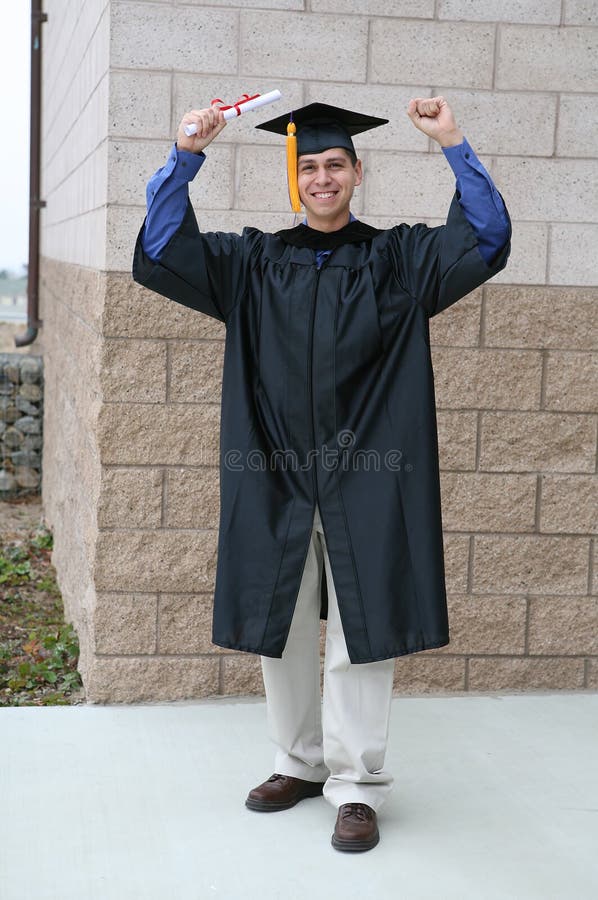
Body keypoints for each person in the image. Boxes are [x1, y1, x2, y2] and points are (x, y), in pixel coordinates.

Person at [132, 96, 511, 853]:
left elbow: (488, 237)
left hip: (370, 466)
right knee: (284, 625)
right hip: (272, 465)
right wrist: (186, 155)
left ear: (357, 172)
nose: (323, 176)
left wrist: (453, 143)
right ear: (294, 179)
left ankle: (357, 784)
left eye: (335, 163)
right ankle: (299, 763)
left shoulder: (400, 259)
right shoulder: (252, 262)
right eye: (310, 166)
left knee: (361, 632)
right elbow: (161, 249)